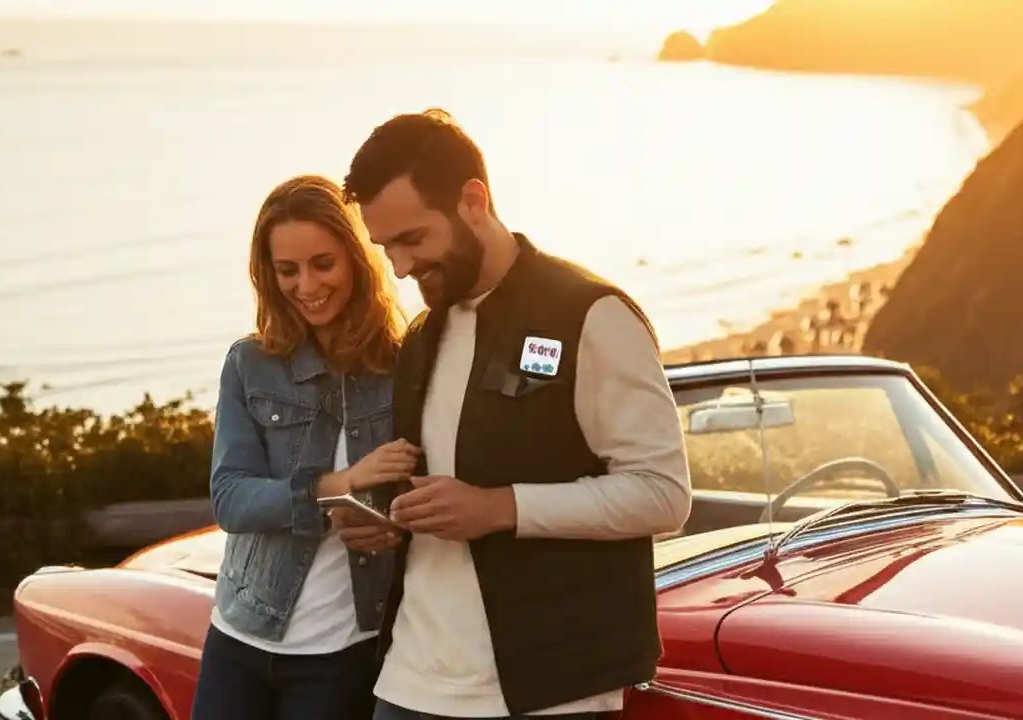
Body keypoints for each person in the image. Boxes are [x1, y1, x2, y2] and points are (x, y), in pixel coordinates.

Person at [339, 109, 693, 719]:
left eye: (413, 239)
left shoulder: (592, 315)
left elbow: (664, 495)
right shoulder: (423, 335)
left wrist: (499, 508)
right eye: (385, 246)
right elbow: (438, 482)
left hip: (548, 692)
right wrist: (387, 520)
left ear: (473, 201)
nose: (398, 267)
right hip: (407, 683)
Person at [193, 175, 420, 720]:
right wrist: (340, 487)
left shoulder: (404, 368)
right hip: (240, 637)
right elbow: (231, 499)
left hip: (341, 652)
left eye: (323, 263)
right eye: (286, 270)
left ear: (356, 259)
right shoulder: (249, 363)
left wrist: (394, 528)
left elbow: (430, 494)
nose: (306, 285)